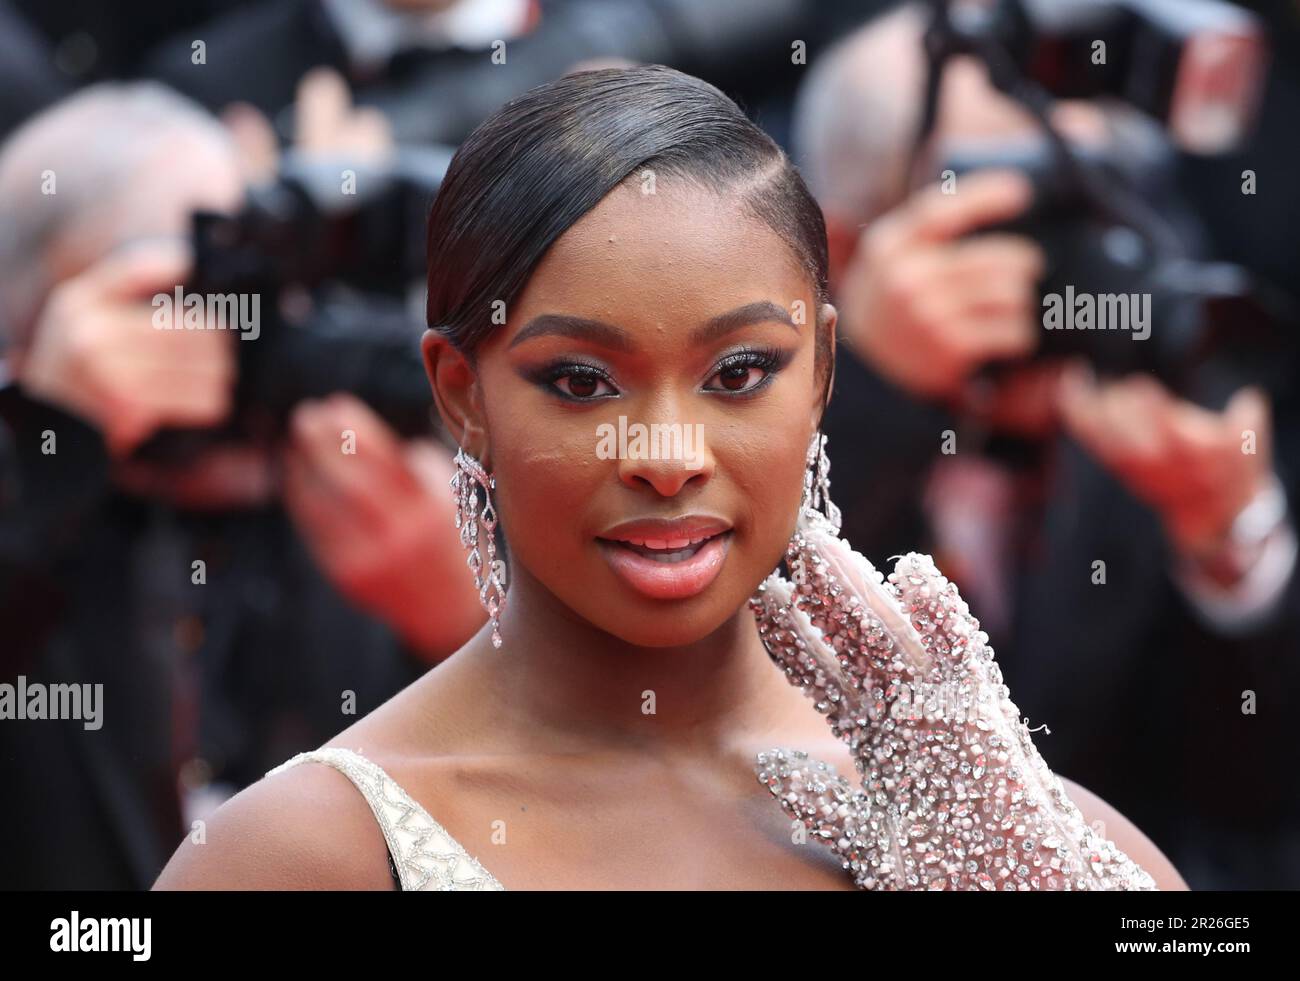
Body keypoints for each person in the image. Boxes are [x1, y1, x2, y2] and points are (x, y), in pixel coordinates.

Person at [155, 65, 1186, 891]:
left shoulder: (1008, 823)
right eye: (581, 381)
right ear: (463, 393)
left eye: (738, 374)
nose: (664, 457)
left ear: (823, 370)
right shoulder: (300, 857)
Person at [792, 2, 1300, 888]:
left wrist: (1229, 540)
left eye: (1095, 206)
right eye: (1016, 212)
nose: (1068, 268)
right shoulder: (747, 426)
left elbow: (1248, 827)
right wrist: (859, 387)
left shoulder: (1153, 432)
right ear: (844, 245)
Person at [0, 82, 482, 888]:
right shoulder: (38, 503)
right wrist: (51, 444)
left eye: (260, 277)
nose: (241, 334)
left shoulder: (373, 487)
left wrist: (465, 624)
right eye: (186, 291)